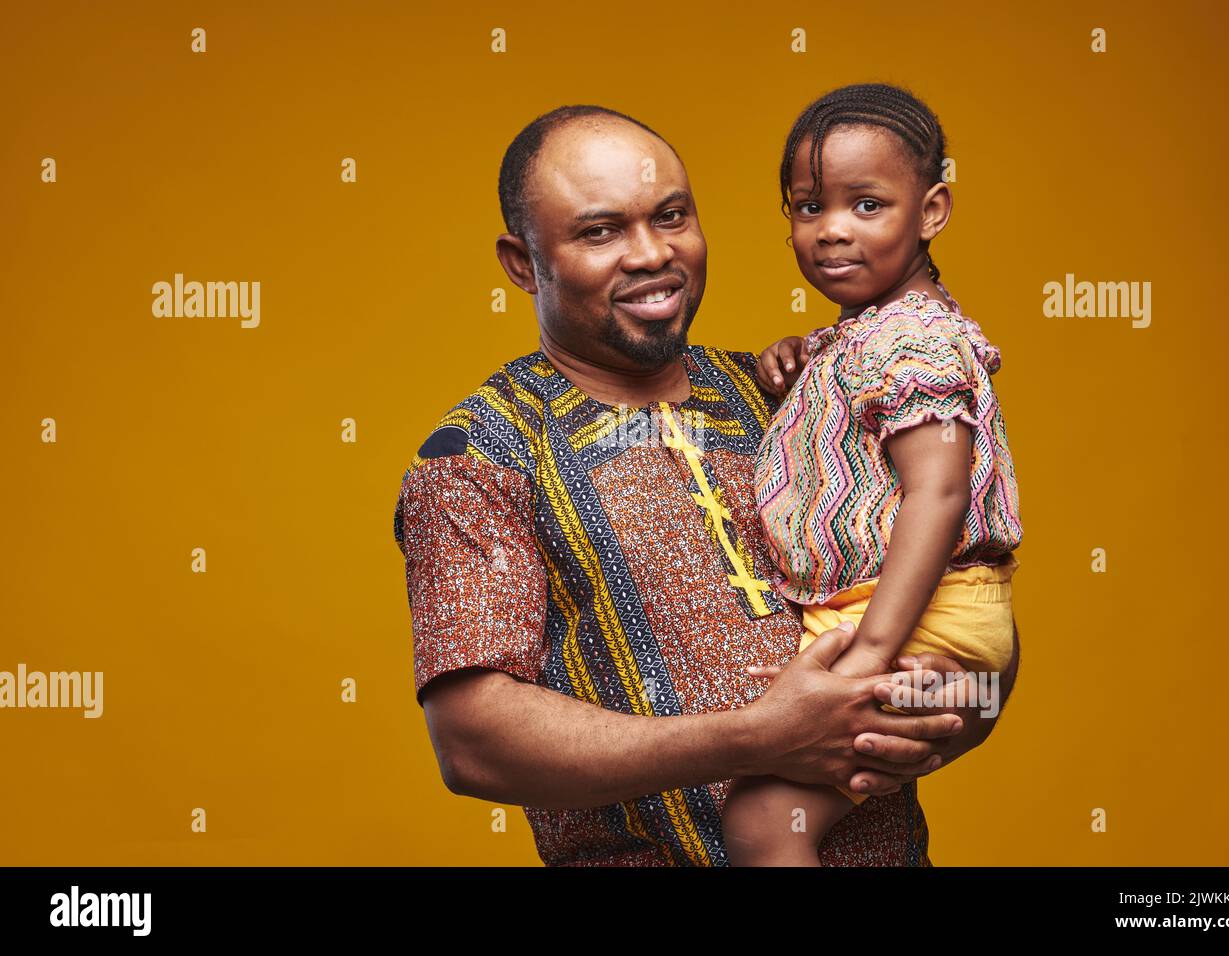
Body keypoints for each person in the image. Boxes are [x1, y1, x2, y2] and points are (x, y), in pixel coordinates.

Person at [392, 103, 1020, 866]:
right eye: (600, 231)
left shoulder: (788, 396)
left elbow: (967, 604)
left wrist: (952, 693)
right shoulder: (480, 456)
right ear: (523, 262)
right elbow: (473, 745)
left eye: (671, 216)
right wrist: (756, 737)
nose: (651, 253)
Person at [722, 84, 1023, 865]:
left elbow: (940, 491)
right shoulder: (873, 334)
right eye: (807, 206)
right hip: (907, 619)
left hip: (913, 621)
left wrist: (870, 653)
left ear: (931, 212)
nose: (829, 232)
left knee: (762, 822)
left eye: (866, 206)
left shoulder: (912, 340)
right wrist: (798, 357)